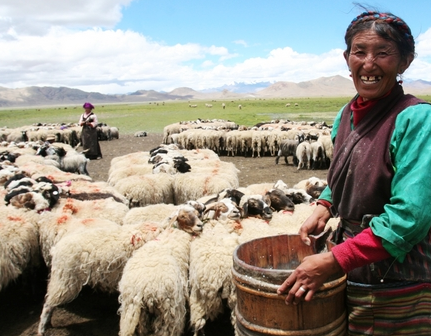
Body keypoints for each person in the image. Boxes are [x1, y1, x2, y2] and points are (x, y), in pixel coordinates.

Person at [277, 9, 431, 335]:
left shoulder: (416, 119)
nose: (369, 63)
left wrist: (334, 260)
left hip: (399, 272)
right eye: (359, 52)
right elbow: (346, 170)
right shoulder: (346, 114)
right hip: (356, 265)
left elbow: (411, 216)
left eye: (383, 53)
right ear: (347, 59)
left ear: (405, 62)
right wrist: (325, 204)